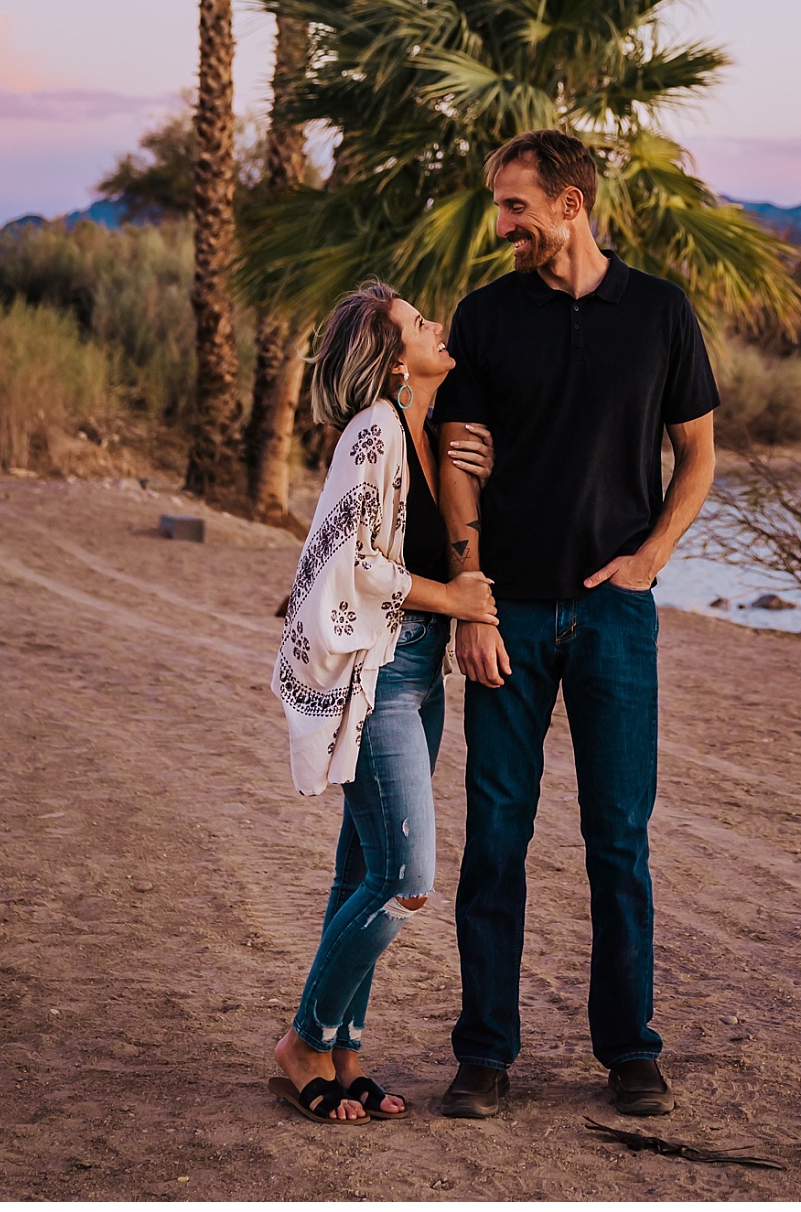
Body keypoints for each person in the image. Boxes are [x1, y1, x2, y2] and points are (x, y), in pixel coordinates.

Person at [435, 130, 718, 1121]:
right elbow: (456, 459)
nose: (500, 223)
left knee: (617, 839)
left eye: (514, 205)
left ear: (569, 204)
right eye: (498, 206)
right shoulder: (484, 316)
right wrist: (471, 592)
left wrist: (651, 559)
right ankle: (483, 1053)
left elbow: (697, 455)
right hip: (506, 610)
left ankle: (630, 1048)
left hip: (613, 614)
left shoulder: (659, 312)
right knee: (495, 839)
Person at [270, 283, 497, 1124]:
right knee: (405, 882)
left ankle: (342, 1051)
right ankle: (303, 1039)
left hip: (416, 677)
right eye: (414, 320)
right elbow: (358, 564)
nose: (434, 323)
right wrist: (457, 599)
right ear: (393, 355)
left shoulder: (418, 433)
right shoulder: (376, 429)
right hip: (384, 677)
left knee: (360, 870)